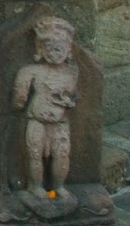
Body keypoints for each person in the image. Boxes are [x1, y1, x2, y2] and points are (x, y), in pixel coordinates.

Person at [11, 15, 79, 201]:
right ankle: (35, 186)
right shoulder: (30, 71)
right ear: (40, 49)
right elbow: (19, 99)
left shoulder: (71, 72)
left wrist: (67, 101)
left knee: (62, 154)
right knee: (35, 153)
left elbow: (71, 95)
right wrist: (20, 96)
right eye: (49, 48)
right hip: (37, 119)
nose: (55, 53)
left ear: (68, 49)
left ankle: (58, 186)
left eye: (60, 49)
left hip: (60, 120)